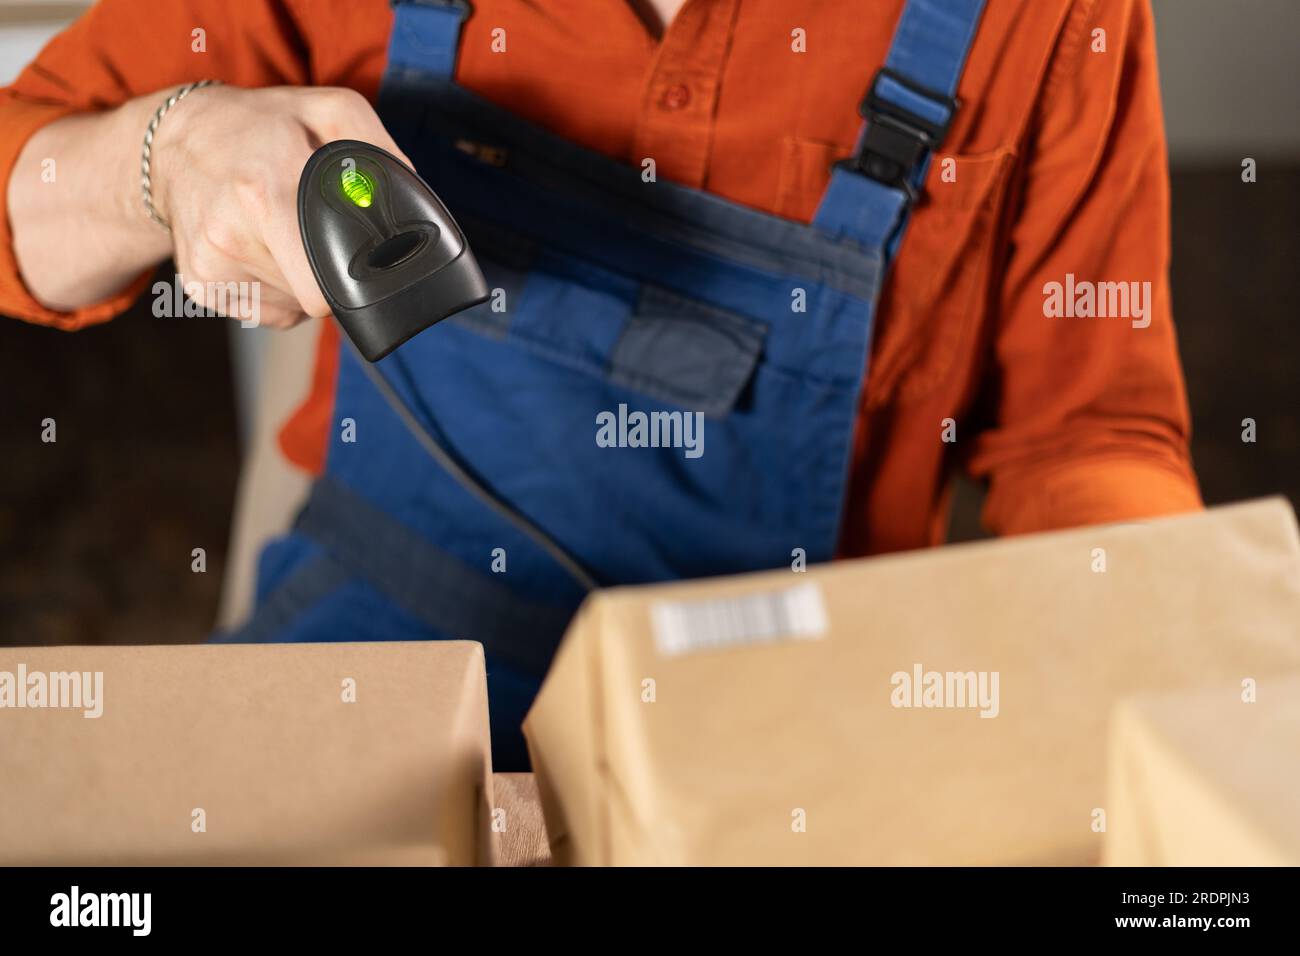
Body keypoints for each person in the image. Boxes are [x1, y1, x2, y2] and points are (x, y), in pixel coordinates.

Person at [0, 0, 1200, 768]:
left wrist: (1174, 698)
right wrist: (168, 153)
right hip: (385, 642)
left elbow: (1085, 429)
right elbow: (22, 190)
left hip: (791, 718)